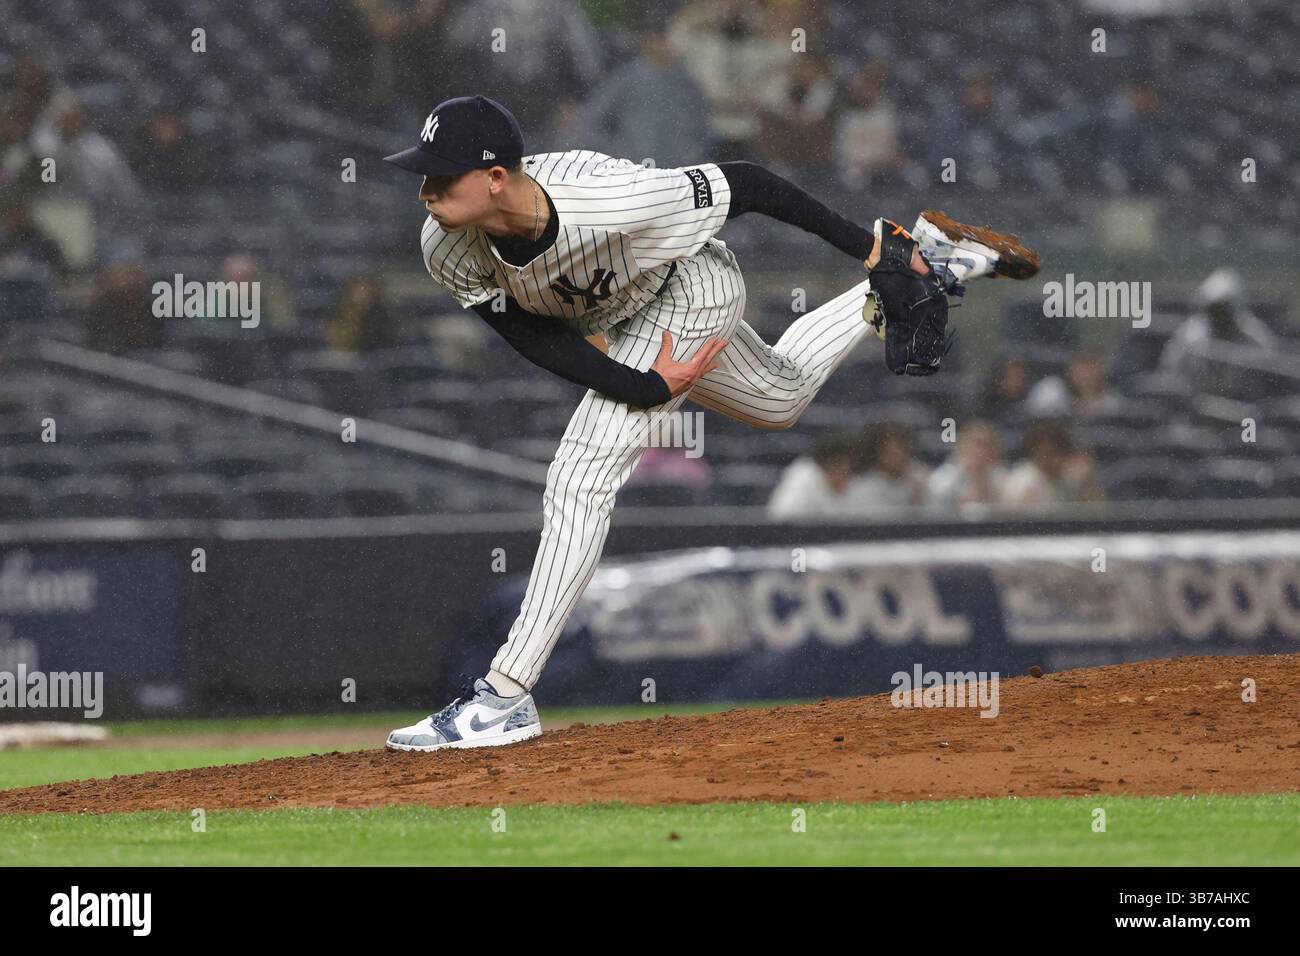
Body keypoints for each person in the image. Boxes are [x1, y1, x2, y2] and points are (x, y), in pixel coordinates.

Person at [380, 94, 1039, 751]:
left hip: (691, 286)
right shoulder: (446, 243)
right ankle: (934, 252)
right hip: (627, 317)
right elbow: (529, 333)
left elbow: (748, 183)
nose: (426, 190)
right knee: (781, 398)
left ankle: (504, 696)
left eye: (443, 175)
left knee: (579, 477)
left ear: (496, 177)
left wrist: (872, 250)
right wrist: (638, 384)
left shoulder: (611, 199)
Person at [1001, 419, 1104, 509]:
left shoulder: (1070, 478)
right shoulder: (1022, 480)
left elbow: (1099, 514)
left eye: (1057, 453)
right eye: (1045, 454)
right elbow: (1016, 521)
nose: (1052, 460)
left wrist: (1086, 483)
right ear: (1033, 453)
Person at [767, 432, 864, 520]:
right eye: (841, 466)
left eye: (850, 468)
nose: (848, 474)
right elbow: (783, 520)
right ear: (827, 465)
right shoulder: (803, 478)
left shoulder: (855, 485)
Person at [924, 420, 1007, 511]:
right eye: (975, 446)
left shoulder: (1001, 477)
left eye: (985, 447)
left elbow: (1010, 508)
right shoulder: (944, 477)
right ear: (962, 447)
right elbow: (935, 507)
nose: (980, 452)